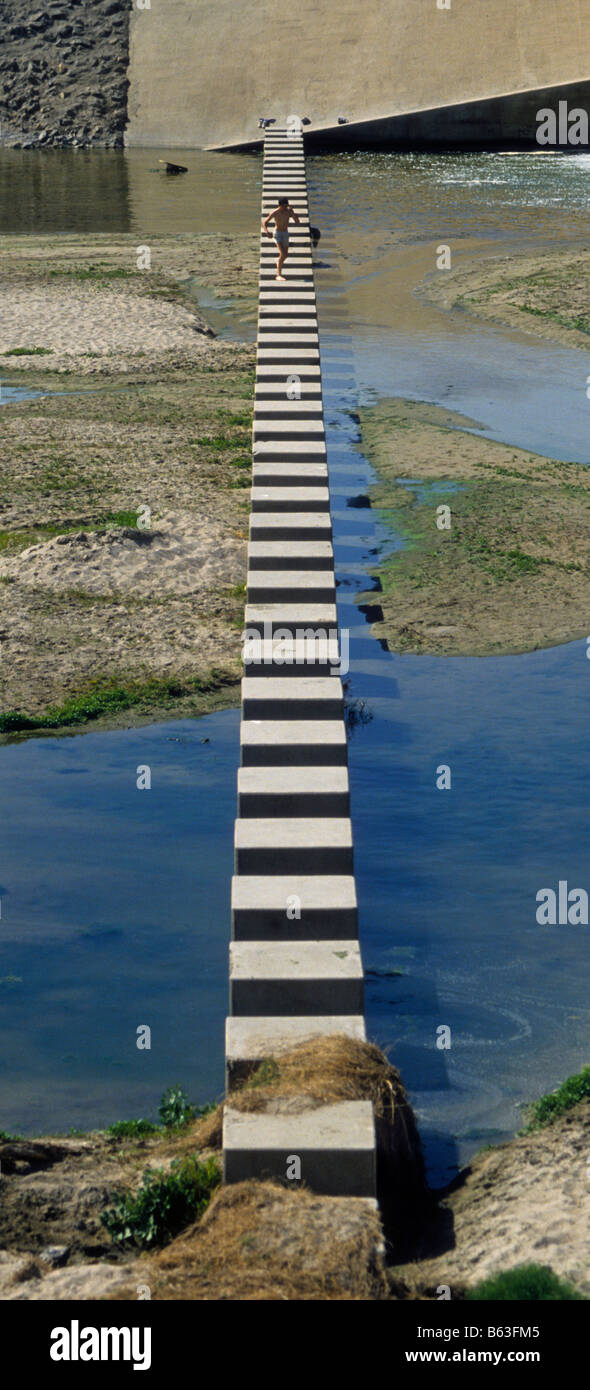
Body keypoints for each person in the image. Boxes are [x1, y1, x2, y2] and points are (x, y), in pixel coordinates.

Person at [262, 196, 300, 280]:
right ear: (280, 205)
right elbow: (264, 222)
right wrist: (267, 232)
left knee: (285, 255)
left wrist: (293, 213)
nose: (285, 207)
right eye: (284, 206)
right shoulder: (275, 212)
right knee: (282, 254)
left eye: (287, 206)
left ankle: (278, 262)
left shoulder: (288, 212)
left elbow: (297, 222)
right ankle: (278, 275)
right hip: (277, 234)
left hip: (285, 233)